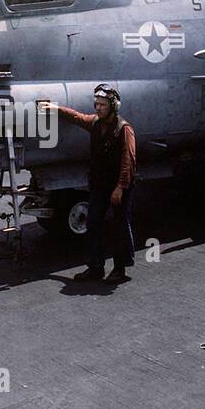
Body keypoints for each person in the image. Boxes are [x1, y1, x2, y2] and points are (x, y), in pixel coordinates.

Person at [46, 84, 137, 283]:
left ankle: (120, 270)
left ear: (113, 106)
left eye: (102, 105)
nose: (98, 108)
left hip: (118, 187)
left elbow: (128, 161)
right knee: (94, 223)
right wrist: (56, 109)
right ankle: (95, 267)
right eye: (96, 104)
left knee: (120, 225)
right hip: (100, 185)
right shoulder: (95, 123)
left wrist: (120, 188)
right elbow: (77, 117)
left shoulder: (124, 129)